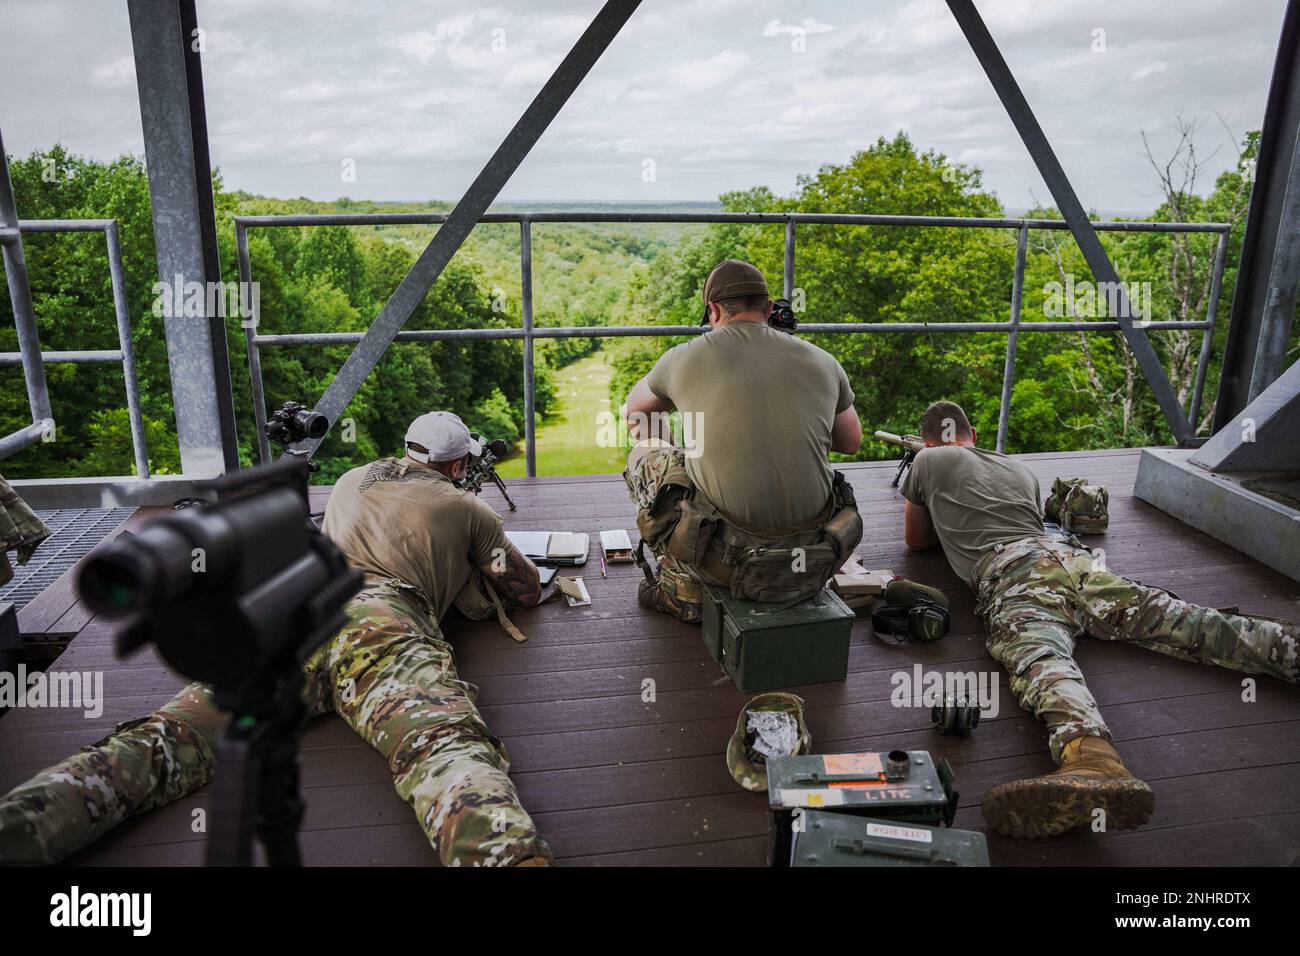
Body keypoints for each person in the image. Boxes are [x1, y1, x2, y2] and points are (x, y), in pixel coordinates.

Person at [0, 412, 552, 866]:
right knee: (443, 748)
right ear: (458, 465)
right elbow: (523, 588)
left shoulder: (349, 479)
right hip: (384, 623)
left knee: (167, 738)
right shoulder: (466, 506)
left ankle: (23, 826)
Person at [898, 400, 1299, 838]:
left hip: (1016, 575)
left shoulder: (928, 458)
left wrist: (925, 471)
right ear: (973, 434)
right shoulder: (1019, 470)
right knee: (1184, 620)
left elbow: (917, 542)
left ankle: (1093, 758)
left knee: (1040, 656)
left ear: (933, 439)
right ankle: (1286, 647)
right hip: (1077, 562)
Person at [622, 259, 864, 621]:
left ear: (714, 310)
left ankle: (680, 577)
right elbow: (850, 441)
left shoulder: (684, 357)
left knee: (646, 444)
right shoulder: (824, 361)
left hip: (721, 563)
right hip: (815, 557)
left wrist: (684, 457)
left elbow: (636, 411)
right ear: (768, 309)